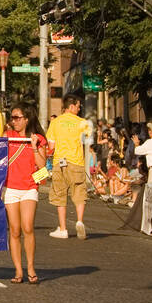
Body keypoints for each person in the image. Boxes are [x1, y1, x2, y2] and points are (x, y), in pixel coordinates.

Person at [4, 106, 48, 283]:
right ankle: (18, 271)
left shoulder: (38, 139)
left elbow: (43, 168)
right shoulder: (7, 136)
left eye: (17, 117)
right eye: (12, 118)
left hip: (29, 187)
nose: (14, 121)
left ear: (26, 119)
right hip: (10, 187)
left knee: (27, 227)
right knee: (14, 230)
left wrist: (35, 146)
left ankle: (30, 267)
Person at [46, 94, 90, 239]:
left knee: (60, 195)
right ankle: (79, 221)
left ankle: (63, 228)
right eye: (78, 106)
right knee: (79, 193)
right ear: (71, 106)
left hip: (60, 162)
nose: (79, 109)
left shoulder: (55, 122)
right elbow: (88, 142)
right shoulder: (83, 122)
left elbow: (51, 145)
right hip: (76, 161)